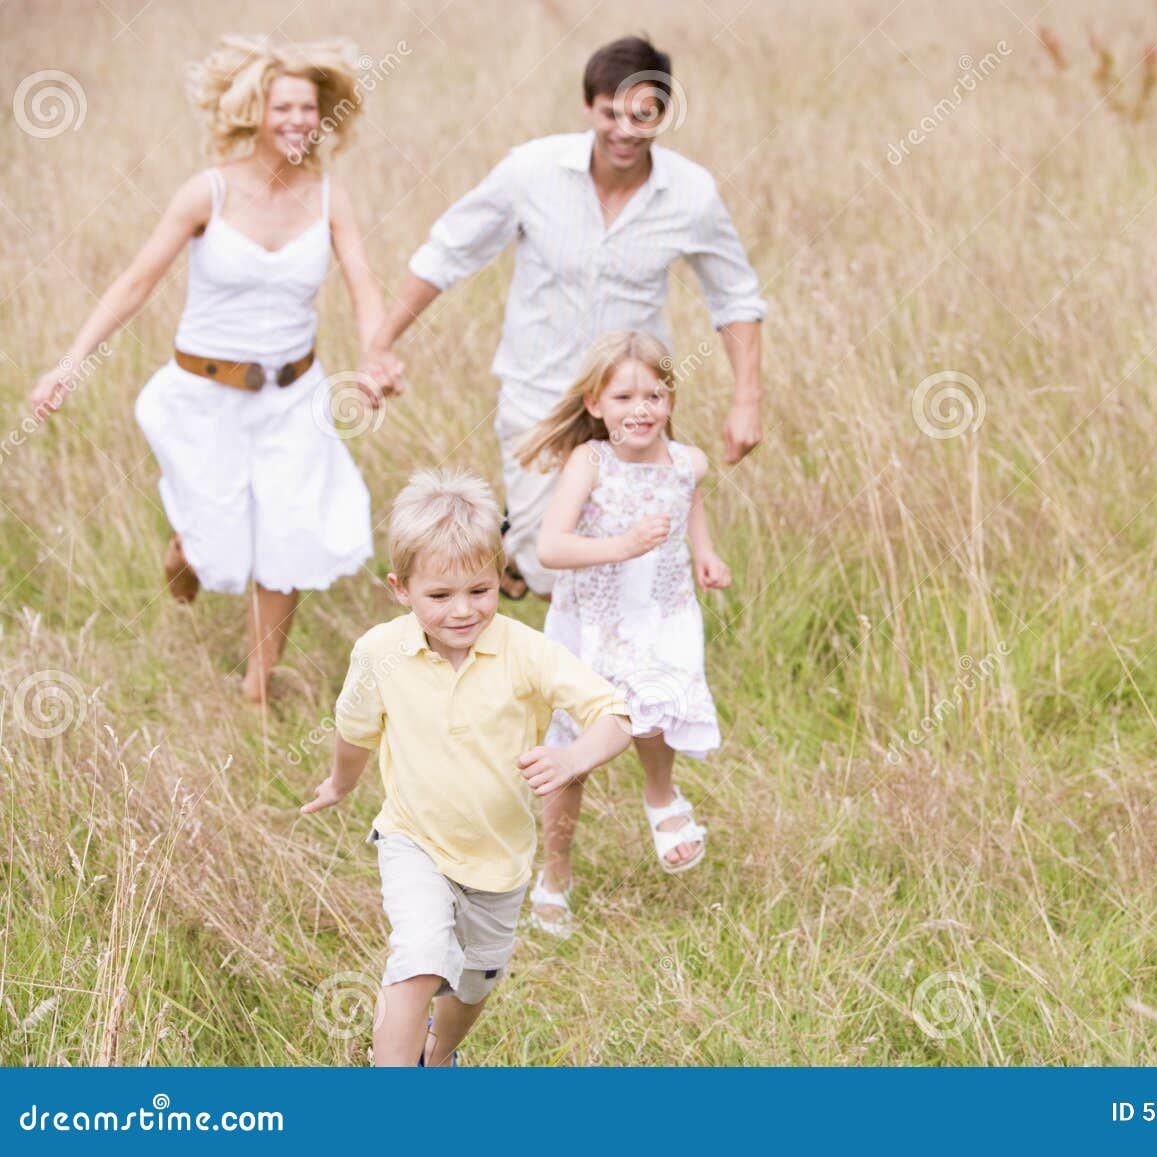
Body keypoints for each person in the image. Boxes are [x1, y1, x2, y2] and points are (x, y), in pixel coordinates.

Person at [27, 35, 400, 702]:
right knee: (213, 548)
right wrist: (67, 366)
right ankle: (186, 547)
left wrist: (376, 357)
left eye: (308, 109)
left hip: (293, 396)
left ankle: (257, 689)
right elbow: (135, 283)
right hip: (203, 396)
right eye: (282, 107)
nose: (297, 121)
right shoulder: (210, 192)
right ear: (253, 112)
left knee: (286, 539)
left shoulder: (328, 197)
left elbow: (365, 289)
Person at [360, 35, 765, 603]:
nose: (624, 130)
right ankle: (520, 557)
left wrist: (747, 398)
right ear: (589, 107)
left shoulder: (691, 194)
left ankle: (598, 679)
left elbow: (736, 296)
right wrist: (381, 344)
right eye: (611, 113)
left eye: (642, 115)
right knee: (547, 553)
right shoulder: (532, 170)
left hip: (632, 402)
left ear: (664, 114)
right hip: (539, 393)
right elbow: (449, 252)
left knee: (625, 552)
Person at [301, 468, 632, 1066]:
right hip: (414, 838)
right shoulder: (380, 651)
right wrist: (339, 784)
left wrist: (570, 757)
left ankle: (438, 1053)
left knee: (474, 983)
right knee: (419, 957)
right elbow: (355, 733)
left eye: (478, 591)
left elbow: (614, 714)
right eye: (440, 595)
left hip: (498, 860)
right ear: (401, 589)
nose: (462, 611)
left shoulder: (526, 652)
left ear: (500, 579)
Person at [514, 331, 730, 937]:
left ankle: (661, 797)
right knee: (571, 764)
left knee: (654, 706)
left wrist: (706, 554)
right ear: (594, 405)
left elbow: (689, 503)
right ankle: (555, 872)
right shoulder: (590, 462)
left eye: (655, 395)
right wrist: (622, 546)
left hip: (662, 613)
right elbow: (551, 547)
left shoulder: (688, 462)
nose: (641, 408)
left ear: (671, 400)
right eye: (624, 396)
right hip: (594, 621)